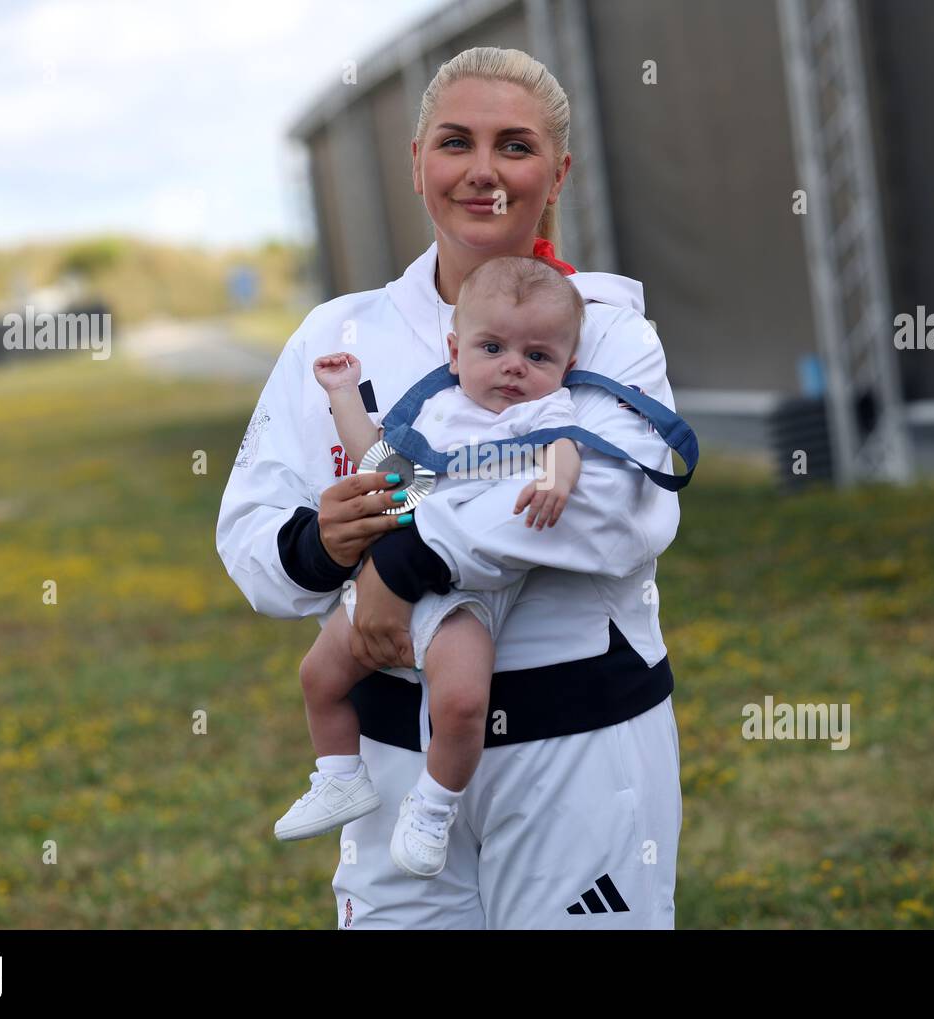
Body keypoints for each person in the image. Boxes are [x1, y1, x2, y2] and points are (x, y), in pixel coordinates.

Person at [216, 46, 683, 928]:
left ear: (559, 173)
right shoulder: (338, 332)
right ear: (417, 161)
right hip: (393, 750)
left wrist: (404, 561)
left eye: (515, 146)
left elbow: (624, 508)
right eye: (455, 142)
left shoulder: (614, 333)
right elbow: (250, 537)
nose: (483, 172)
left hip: (577, 742)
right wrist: (326, 540)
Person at [272, 255, 586, 881]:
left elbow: (568, 448)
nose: (514, 367)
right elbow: (382, 465)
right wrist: (342, 395)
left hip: (457, 595)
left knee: (464, 702)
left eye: (539, 356)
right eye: (492, 346)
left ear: (567, 368)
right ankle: (340, 776)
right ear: (454, 351)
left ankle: (434, 807)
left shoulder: (540, 415)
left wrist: (555, 479)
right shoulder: (436, 411)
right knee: (318, 676)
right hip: (387, 573)